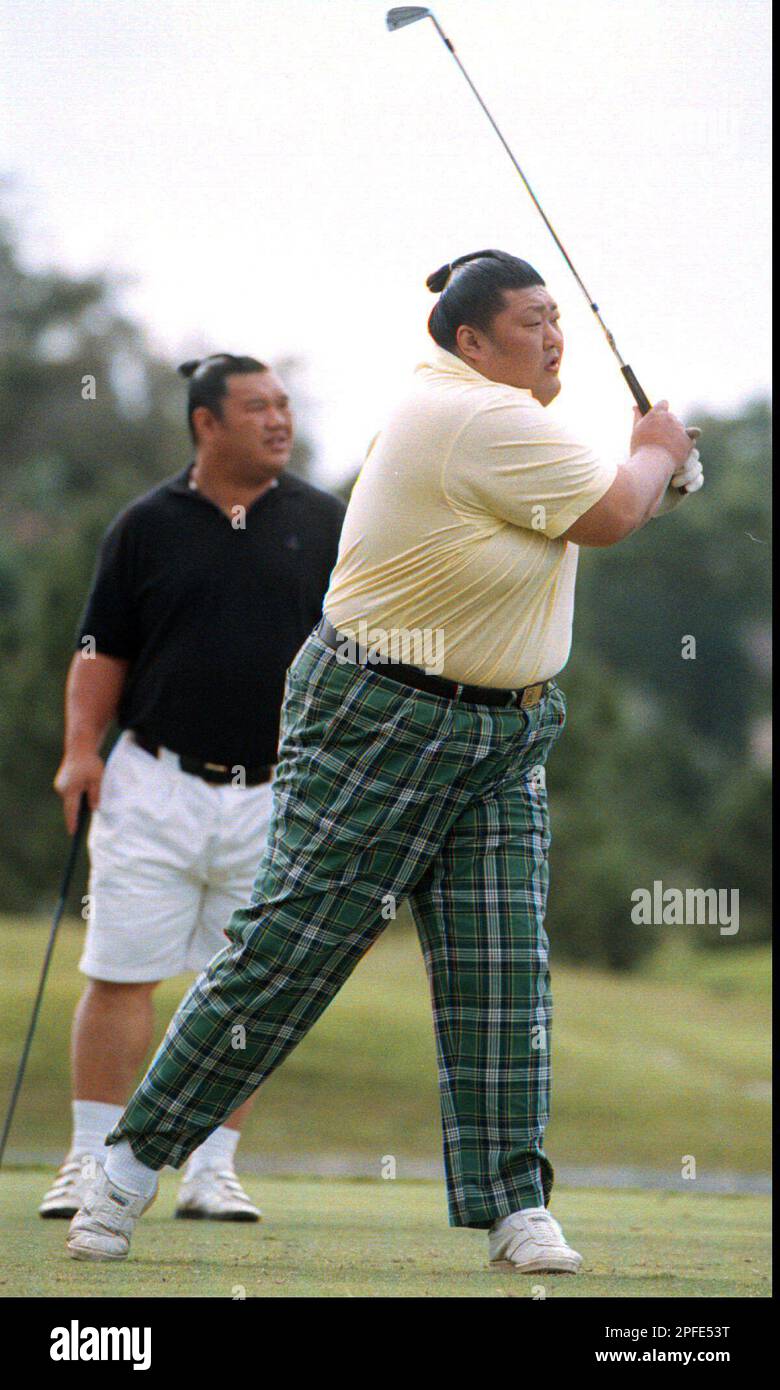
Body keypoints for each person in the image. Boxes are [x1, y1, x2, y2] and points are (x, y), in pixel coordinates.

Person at [66, 252, 702, 1270]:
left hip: (506, 731)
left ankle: (513, 1207)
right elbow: (615, 511)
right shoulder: (468, 416)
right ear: (470, 340)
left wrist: (654, 470)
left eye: (558, 319)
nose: (554, 337)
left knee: (500, 972)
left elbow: (588, 508)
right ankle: (130, 1163)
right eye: (533, 320)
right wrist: (658, 450)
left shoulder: (506, 426)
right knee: (289, 953)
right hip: (381, 714)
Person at [41, 353, 345, 1223]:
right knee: (120, 969)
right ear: (206, 423)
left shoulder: (325, 521)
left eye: (284, 405)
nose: (278, 420)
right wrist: (78, 751)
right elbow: (102, 649)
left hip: (278, 792)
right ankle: (88, 1159)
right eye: (257, 407)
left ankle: (212, 1169)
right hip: (154, 779)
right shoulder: (146, 524)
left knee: (243, 985)